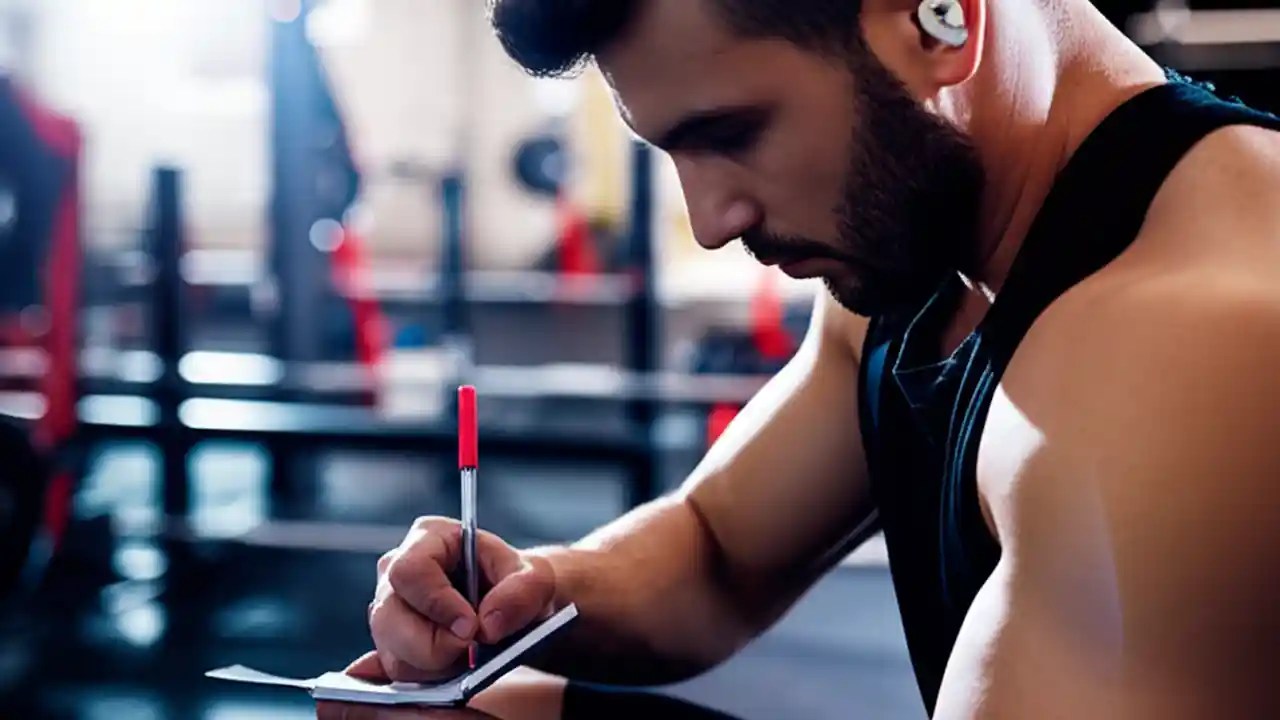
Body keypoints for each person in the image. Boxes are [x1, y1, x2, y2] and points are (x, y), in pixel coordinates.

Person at [321, 0, 1280, 717]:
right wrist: (526, 596)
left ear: (940, 20)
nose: (710, 223)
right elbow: (718, 549)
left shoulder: (1188, 352)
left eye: (733, 135)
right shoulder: (925, 254)